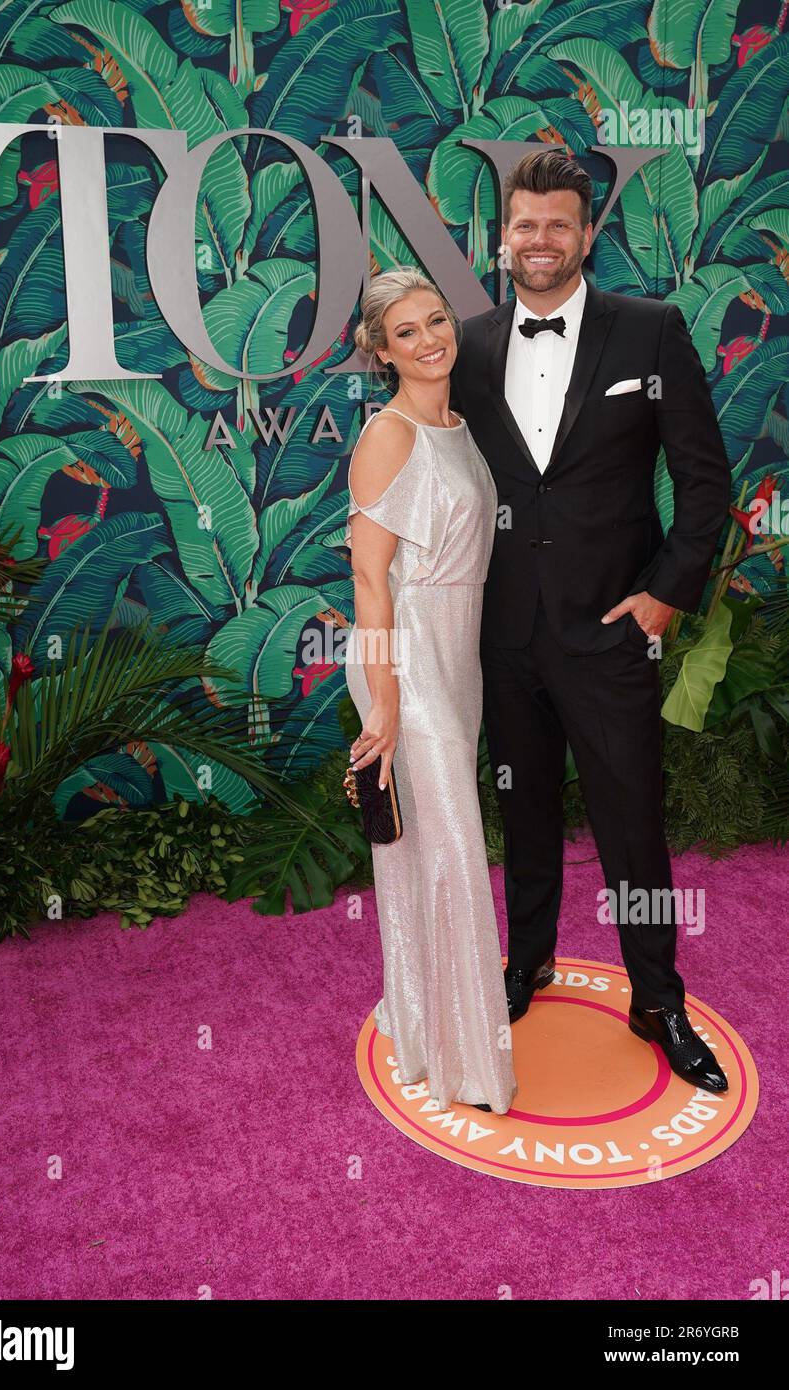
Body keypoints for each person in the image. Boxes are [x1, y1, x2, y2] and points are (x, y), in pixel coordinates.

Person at [448, 148, 731, 1094]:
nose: (540, 240)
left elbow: (705, 482)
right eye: (525, 225)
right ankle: (526, 962)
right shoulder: (472, 345)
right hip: (507, 632)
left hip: (611, 630)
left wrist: (663, 594)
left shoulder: (649, 333)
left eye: (558, 224)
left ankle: (657, 995)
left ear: (586, 234)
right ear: (503, 236)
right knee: (521, 809)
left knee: (632, 822)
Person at [343, 269, 517, 1115]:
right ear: (381, 351)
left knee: (438, 846)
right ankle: (464, 1063)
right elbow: (369, 581)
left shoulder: (458, 423)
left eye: (436, 320)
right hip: (405, 657)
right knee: (448, 844)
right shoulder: (390, 431)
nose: (428, 340)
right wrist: (383, 700)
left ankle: (428, 1020)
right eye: (405, 332)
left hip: (457, 652)